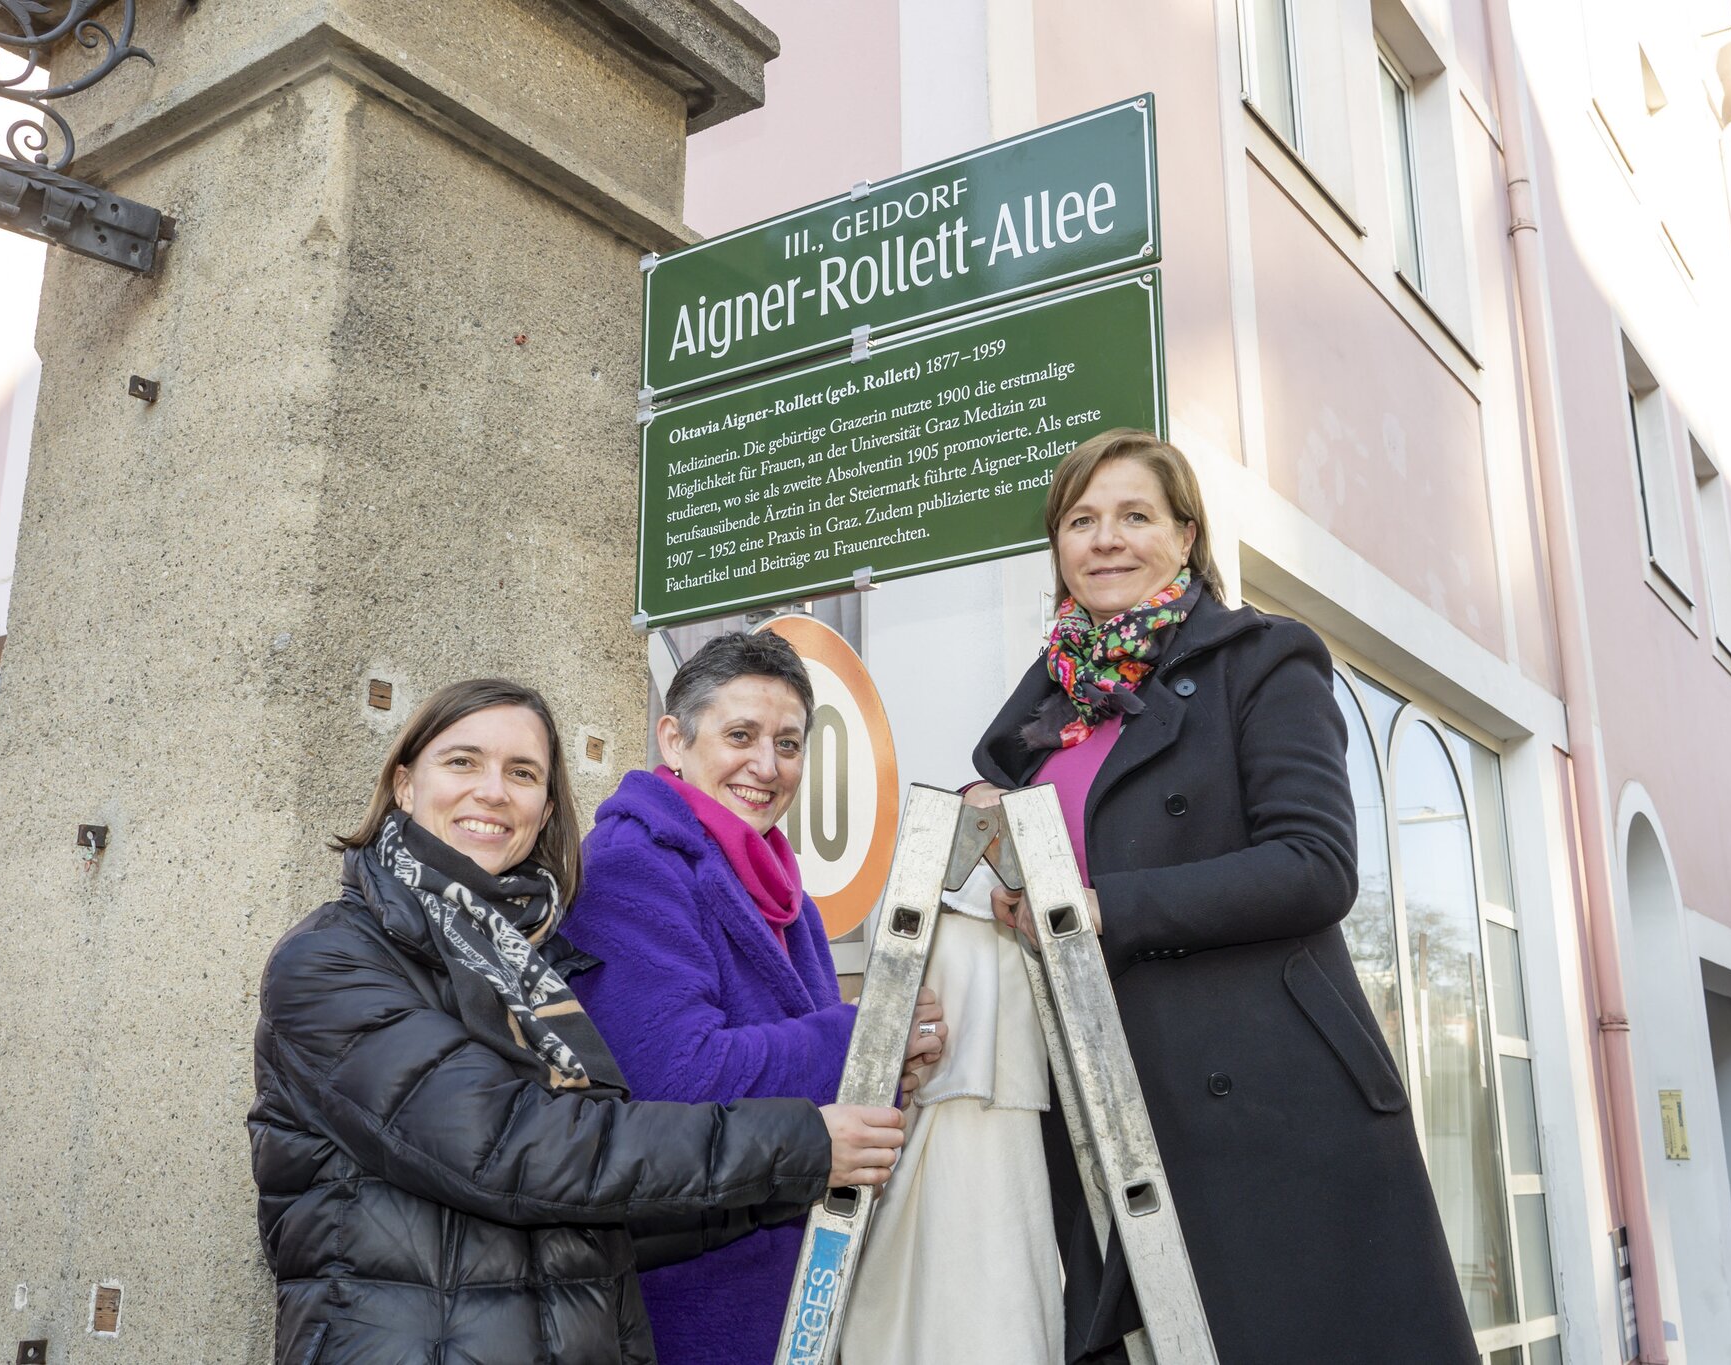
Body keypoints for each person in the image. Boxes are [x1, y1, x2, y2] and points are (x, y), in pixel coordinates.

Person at [965, 430, 1475, 1363]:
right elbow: (1054, 885)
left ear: (1186, 534)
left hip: (1263, 1101)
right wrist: (1010, 875)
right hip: (1103, 1102)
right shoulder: (1048, 715)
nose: (1105, 539)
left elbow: (1315, 863)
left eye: (1135, 515)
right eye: (1081, 520)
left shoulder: (1265, 659)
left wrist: (1101, 906)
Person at [248, 678, 905, 1365]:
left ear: (547, 809)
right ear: (405, 785)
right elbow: (514, 1151)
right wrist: (801, 1143)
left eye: (522, 773)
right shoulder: (330, 961)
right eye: (463, 761)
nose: (493, 791)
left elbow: (605, 1210)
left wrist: (790, 1183)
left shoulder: (529, 966)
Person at [566, 631, 945, 1365]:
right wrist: (866, 1036)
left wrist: (896, 1056)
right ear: (673, 740)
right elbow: (675, 1080)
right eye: (740, 735)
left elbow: (813, 1077)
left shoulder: (780, 884)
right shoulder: (627, 865)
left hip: (785, 1291)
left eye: (788, 743)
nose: (767, 766)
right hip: (689, 1301)